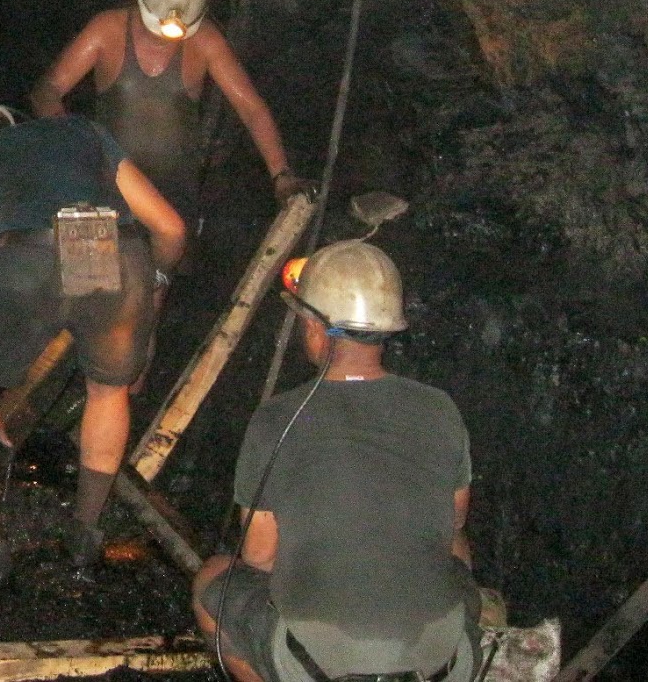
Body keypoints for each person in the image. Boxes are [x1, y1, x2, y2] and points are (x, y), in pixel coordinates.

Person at [192, 240, 481, 682]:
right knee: (456, 544)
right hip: (444, 666)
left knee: (212, 579)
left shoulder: (277, 418)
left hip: (317, 668)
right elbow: (453, 523)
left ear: (313, 327)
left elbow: (260, 555)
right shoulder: (439, 407)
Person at [0, 104, 186, 583]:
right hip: (113, 247)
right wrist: (152, 287)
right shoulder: (79, 130)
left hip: (31, 255)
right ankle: (85, 533)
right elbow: (171, 228)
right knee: (107, 389)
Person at [31, 0, 307, 223]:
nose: (164, 37)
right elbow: (49, 88)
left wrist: (281, 174)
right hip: (109, 186)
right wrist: (67, 138)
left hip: (174, 194)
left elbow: (251, 109)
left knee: (170, 250)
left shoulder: (206, 42)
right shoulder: (108, 29)